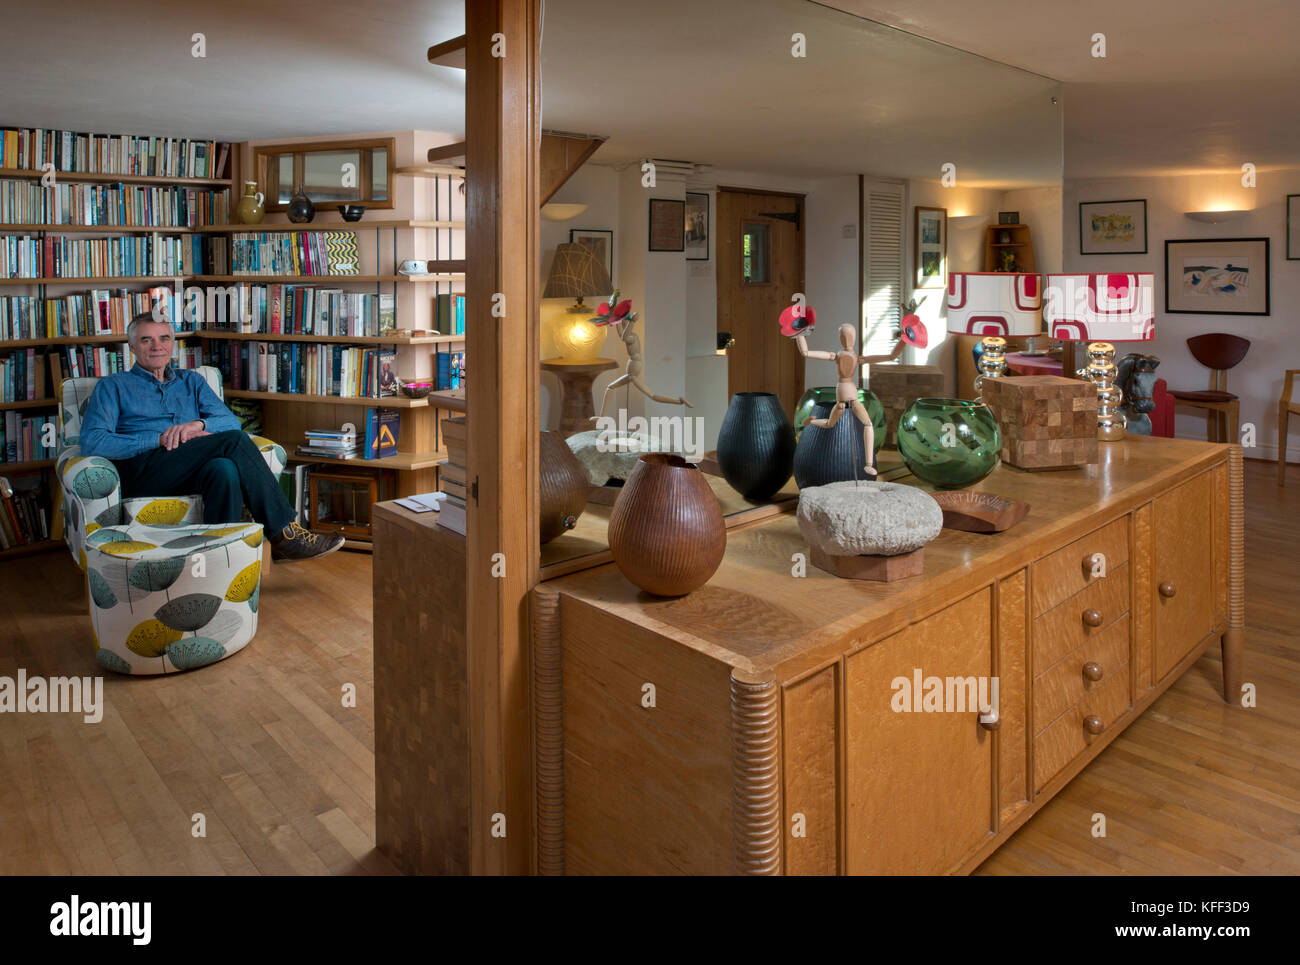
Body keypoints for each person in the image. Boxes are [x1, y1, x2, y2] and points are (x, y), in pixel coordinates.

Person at [78, 311, 344, 562]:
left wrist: (197, 424)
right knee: (234, 442)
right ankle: (285, 534)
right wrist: (158, 439)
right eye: (146, 340)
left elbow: (229, 421)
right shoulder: (112, 387)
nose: (157, 346)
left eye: (164, 338)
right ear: (132, 347)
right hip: (144, 470)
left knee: (224, 468)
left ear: (173, 345)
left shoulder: (191, 381)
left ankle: (217, 557)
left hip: (189, 469)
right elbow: (93, 441)